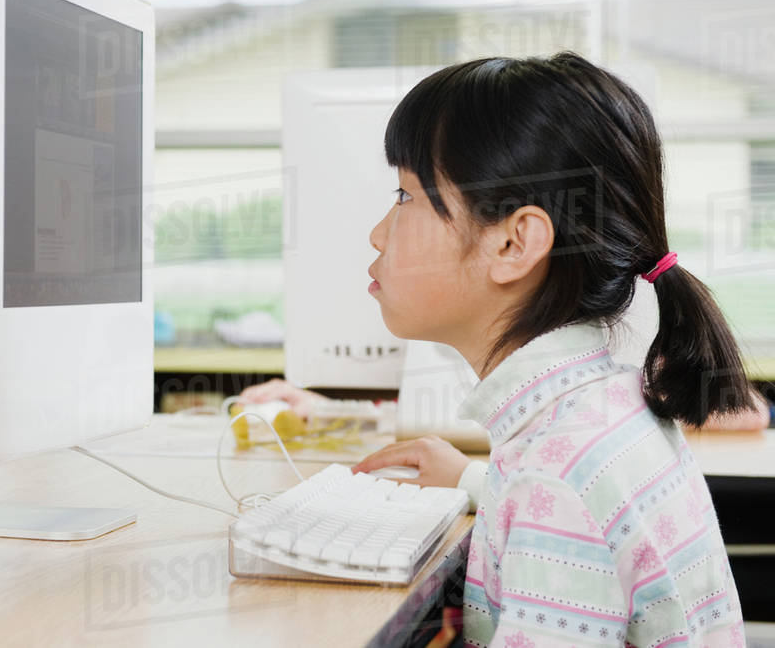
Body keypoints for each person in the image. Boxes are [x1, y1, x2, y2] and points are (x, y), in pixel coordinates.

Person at [243, 54, 750, 646]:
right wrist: (470, 479)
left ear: (514, 243)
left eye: (406, 196)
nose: (378, 233)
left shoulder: (556, 480)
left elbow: (562, 505)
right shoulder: (601, 408)